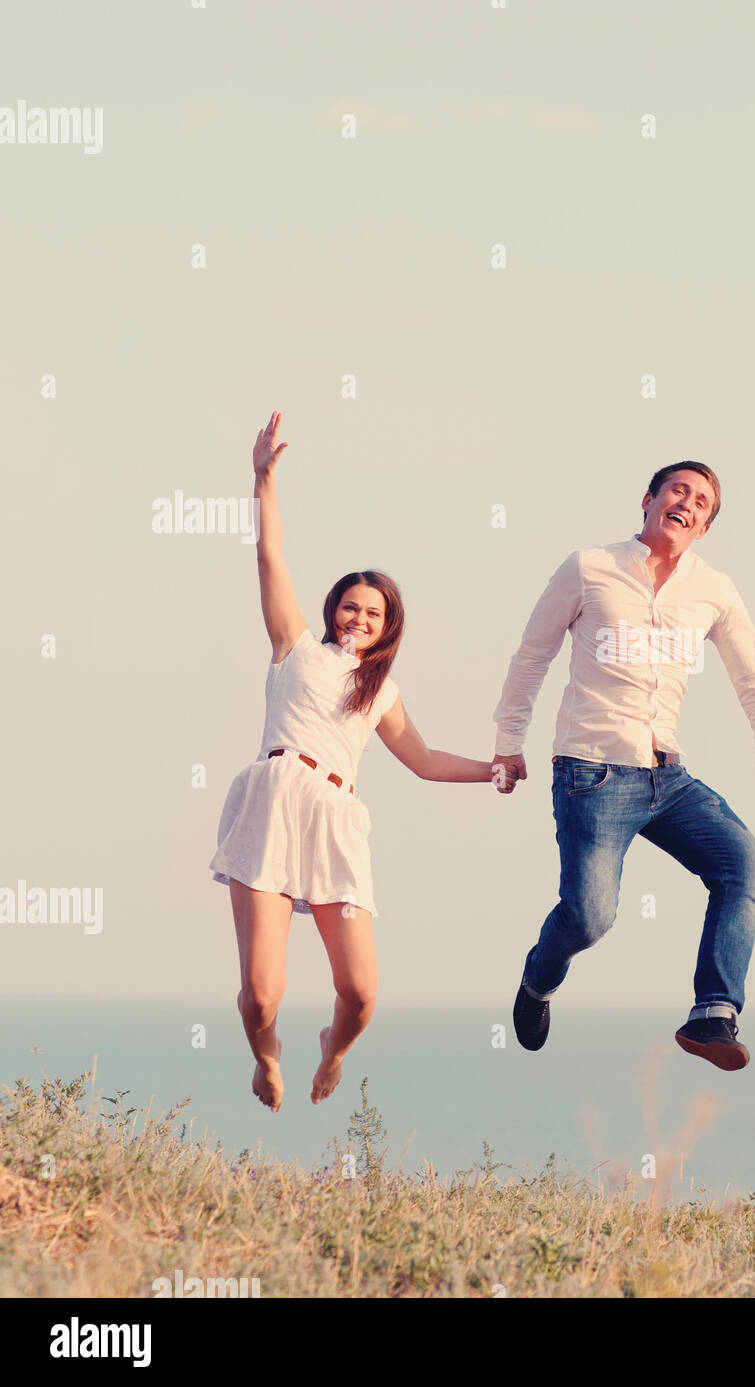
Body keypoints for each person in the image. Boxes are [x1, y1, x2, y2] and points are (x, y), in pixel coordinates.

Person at [209, 411, 515, 1110]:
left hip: (333, 821)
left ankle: (333, 1048)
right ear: (333, 610)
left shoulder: (381, 691)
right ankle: (265, 1054)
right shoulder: (294, 647)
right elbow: (271, 558)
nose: (358, 618)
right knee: (261, 993)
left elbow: (425, 759)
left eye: (372, 614)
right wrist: (263, 480)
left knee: (362, 993)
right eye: (351, 606)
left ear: (386, 629)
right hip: (271, 802)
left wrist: (493, 769)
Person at [492, 462, 755, 1070]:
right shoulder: (589, 567)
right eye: (678, 491)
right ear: (649, 500)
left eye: (702, 502)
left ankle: (713, 1013)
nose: (687, 503)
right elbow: (532, 654)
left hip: (669, 778)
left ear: (705, 528)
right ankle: (538, 980)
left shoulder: (714, 590)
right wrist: (509, 742)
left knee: (745, 866)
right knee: (590, 917)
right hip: (593, 771)